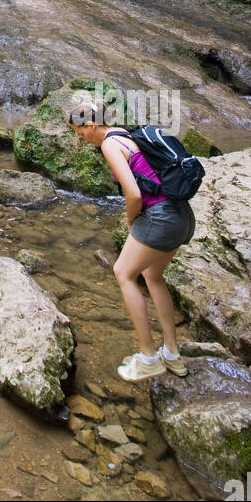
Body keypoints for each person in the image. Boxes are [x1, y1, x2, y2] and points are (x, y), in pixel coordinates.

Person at [70, 103, 195, 381]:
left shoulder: (110, 145)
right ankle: (172, 355)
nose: (82, 140)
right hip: (182, 216)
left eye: (80, 134)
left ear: (91, 126)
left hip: (160, 219)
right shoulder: (130, 135)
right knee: (152, 276)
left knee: (123, 273)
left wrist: (131, 222)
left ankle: (149, 357)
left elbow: (134, 194)